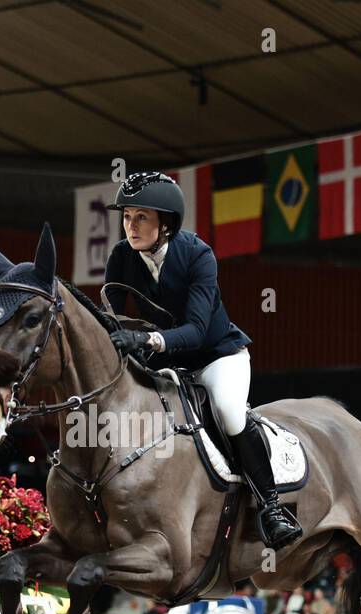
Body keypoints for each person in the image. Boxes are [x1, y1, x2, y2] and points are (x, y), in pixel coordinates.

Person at [103, 171, 302, 550]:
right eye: (127, 216)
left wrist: (146, 338)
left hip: (216, 357)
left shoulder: (198, 254)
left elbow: (195, 329)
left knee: (229, 412)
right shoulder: (121, 256)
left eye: (141, 217)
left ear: (166, 223)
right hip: (165, 364)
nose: (131, 226)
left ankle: (272, 507)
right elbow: (109, 313)